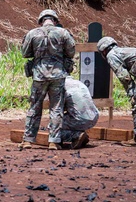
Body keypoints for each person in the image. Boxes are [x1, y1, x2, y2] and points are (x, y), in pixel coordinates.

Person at [20, 9, 76, 150]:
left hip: (39, 75)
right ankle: (54, 141)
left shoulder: (32, 33)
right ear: (55, 20)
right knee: (56, 108)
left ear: (41, 21)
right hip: (58, 75)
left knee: (34, 106)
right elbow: (71, 52)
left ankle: (28, 140)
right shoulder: (63, 33)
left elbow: (25, 53)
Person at [61, 77, 99, 149]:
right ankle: (81, 135)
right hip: (94, 117)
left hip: (80, 119)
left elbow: (58, 109)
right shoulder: (79, 83)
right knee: (73, 116)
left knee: (53, 125)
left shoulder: (61, 86)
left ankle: (76, 135)